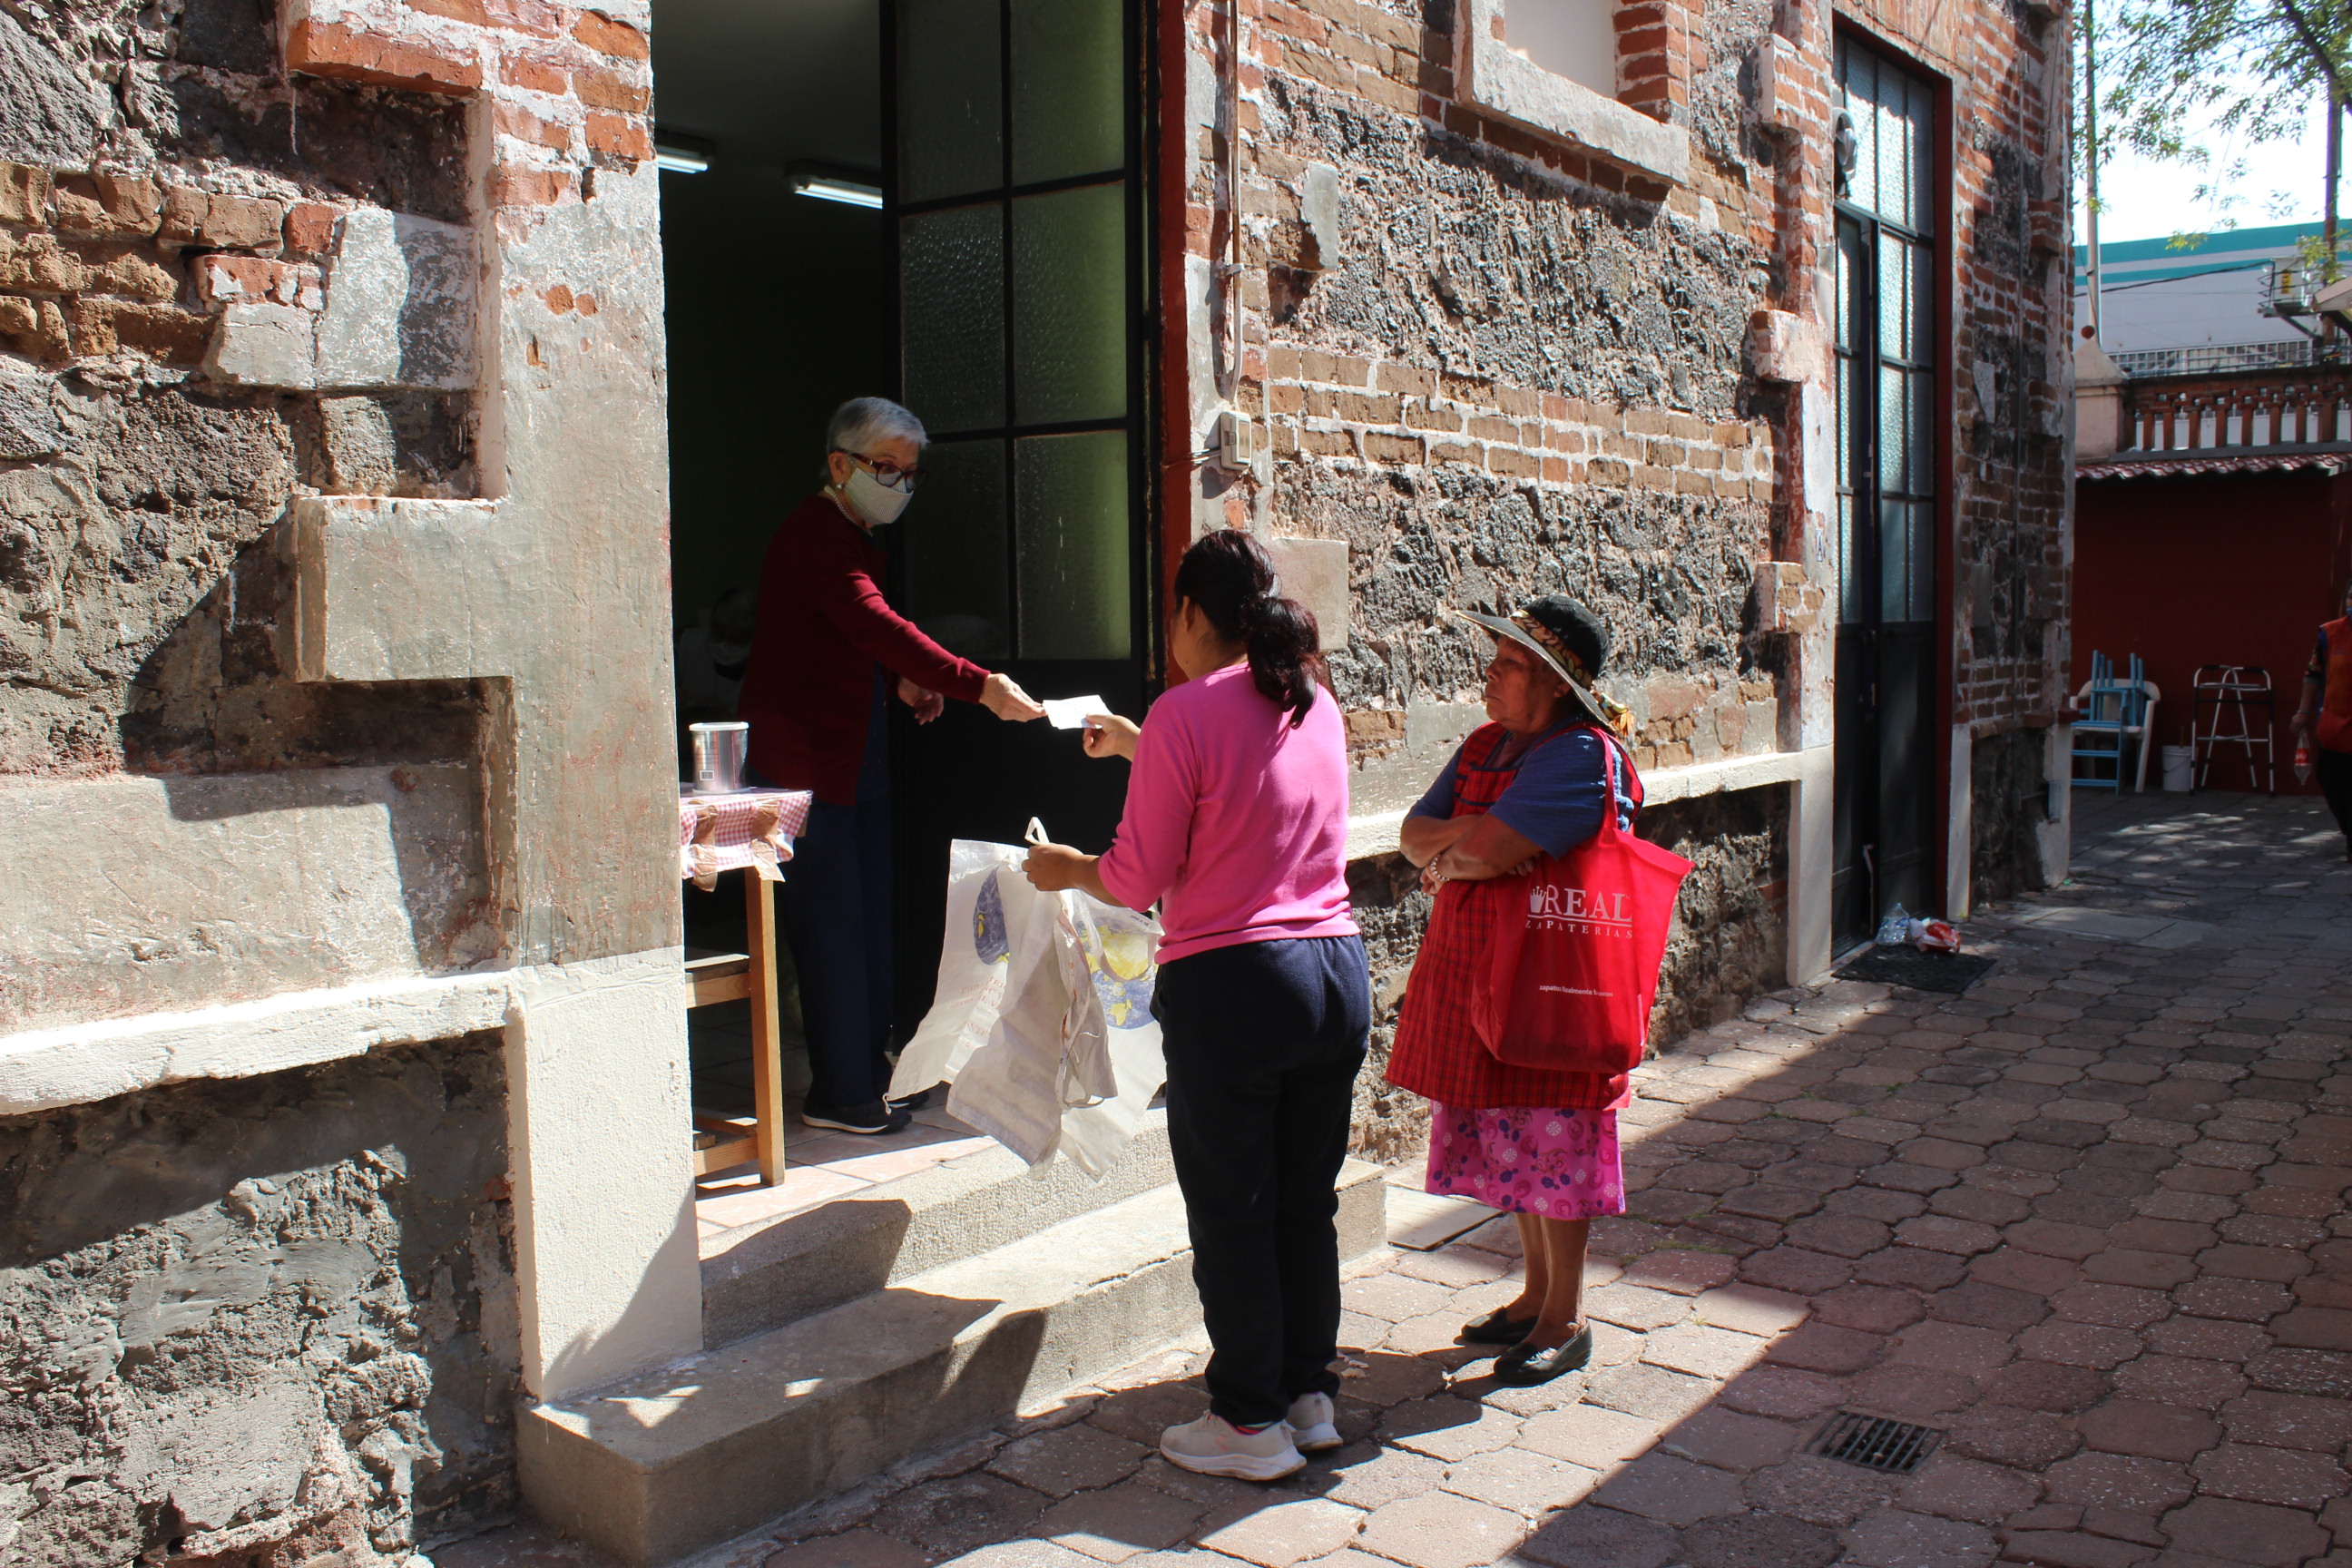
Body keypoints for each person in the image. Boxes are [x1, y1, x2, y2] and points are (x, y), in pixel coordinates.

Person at [1024, 531, 1367, 1482]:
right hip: (1334, 974)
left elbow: (1136, 877)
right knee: (1305, 1202)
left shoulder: (1185, 713)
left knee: (1234, 1208)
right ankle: (1307, 1395)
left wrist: (1064, 869)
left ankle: (1248, 1422)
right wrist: (1145, 746)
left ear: (1186, 614)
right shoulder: (1315, 701)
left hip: (1238, 984)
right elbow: (1248, 779)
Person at [736, 397, 1046, 1136]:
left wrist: (900, 679)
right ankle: (839, 1092)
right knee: (835, 927)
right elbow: (870, 621)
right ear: (840, 464)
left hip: (853, 755)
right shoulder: (816, 533)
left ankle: (870, 1076)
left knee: (870, 922)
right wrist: (977, 685)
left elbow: (844, 640)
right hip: (807, 765)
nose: (901, 486)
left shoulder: (852, 532)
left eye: (910, 474)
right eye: (886, 469)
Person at [1385, 594, 1641, 1388]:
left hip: (1553, 985)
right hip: (1488, 977)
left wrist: (1473, 841)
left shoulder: (1578, 755)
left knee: (1557, 1137)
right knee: (1517, 1138)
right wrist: (1476, 839)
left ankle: (1567, 1318)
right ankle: (1533, 1296)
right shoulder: (1483, 746)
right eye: (1493, 661)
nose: (1488, 677)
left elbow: (1485, 852)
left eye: (1510, 666)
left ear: (1558, 685)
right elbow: (1412, 835)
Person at [2291, 573, 2352, 862]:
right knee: (2331, 779)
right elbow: (2312, 673)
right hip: (2335, 724)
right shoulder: (2330, 634)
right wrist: (2303, 712)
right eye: (2351, 597)